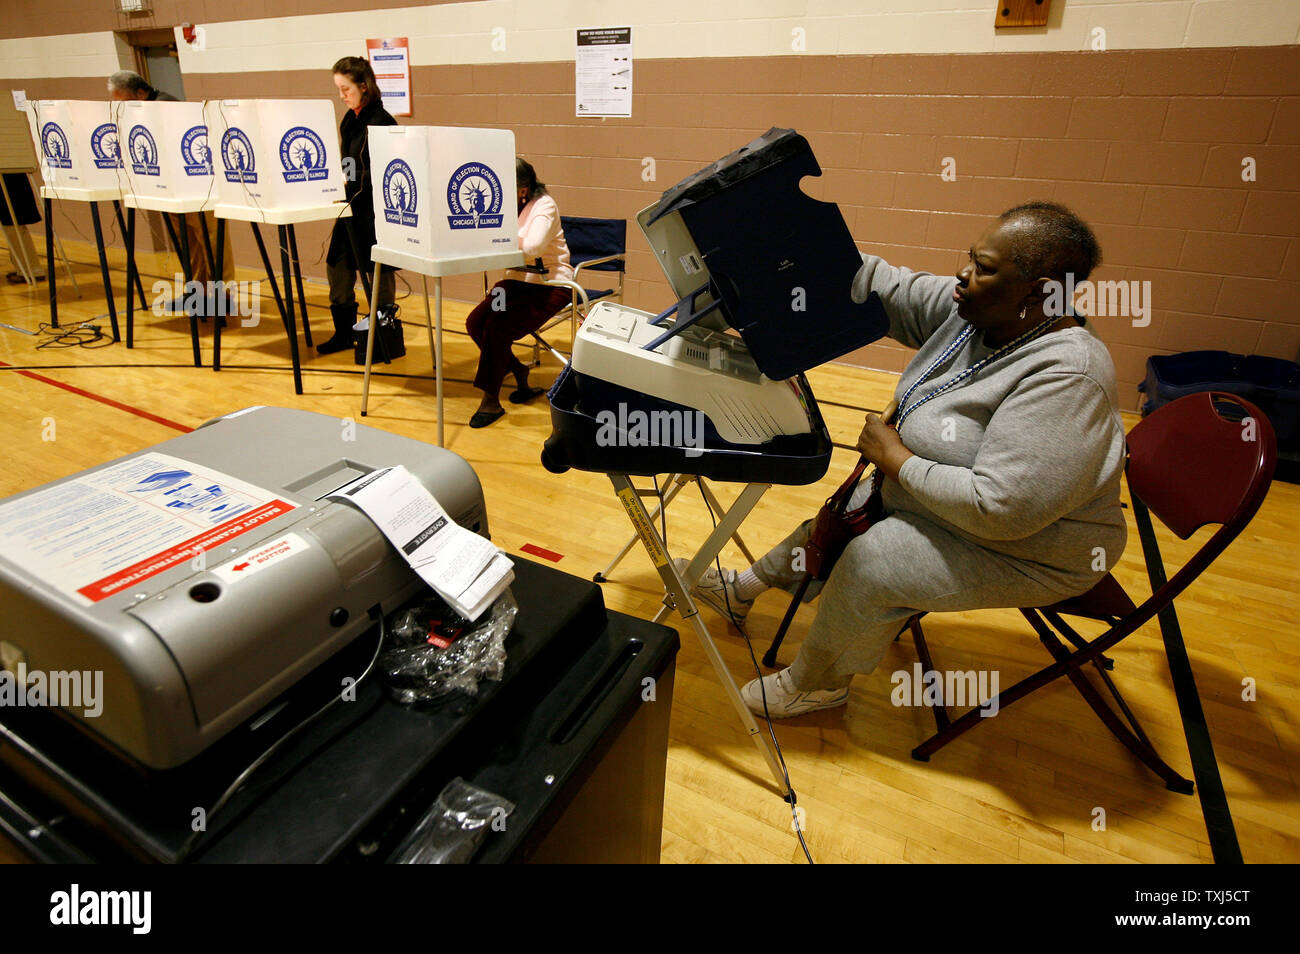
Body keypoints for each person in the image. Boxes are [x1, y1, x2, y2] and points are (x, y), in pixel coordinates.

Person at [684, 202, 1128, 718]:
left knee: (878, 560)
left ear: (1038, 290)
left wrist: (896, 459)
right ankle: (746, 591)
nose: (963, 275)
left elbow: (1003, 508)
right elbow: (882, 285)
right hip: (947, 505)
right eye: (971, 259)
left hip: (1032, 547)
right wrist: (775, 257)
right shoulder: (980, 314)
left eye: (984, 268)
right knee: (853, 503)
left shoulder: (1068, 376)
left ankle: (820, 683)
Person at [106, 70, 235, 300]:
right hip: (174, 189)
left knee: (211, 241)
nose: (122, 109)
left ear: (141, 92)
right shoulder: (146, 110)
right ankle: (199, 290)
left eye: (125, 102)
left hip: (198, 187)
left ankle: (221, 293)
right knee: (189, 244)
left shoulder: (165, 106)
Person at [463, 158, 572, 428]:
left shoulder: (544, 205)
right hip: (516, 281)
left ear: (523, 190)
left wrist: (496, 236)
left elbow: (533, 247)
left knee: (498, 327)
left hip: (550, 285)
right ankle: (518, 369)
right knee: (476, 323)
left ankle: (490, 401)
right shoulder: (508, 208)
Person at [318, 56, 397, 354]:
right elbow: (349, 163)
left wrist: (352, 179)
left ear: (364, 87)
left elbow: (385, 170)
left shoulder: (382, 121)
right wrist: (341, 179)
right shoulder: (350, 120)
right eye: (338, 89)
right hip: (350, 206)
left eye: (345, 89)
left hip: (374, 211)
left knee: (377, 271)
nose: (341, 96)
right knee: (336, 267)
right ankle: (343, 333)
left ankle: (382, 334)